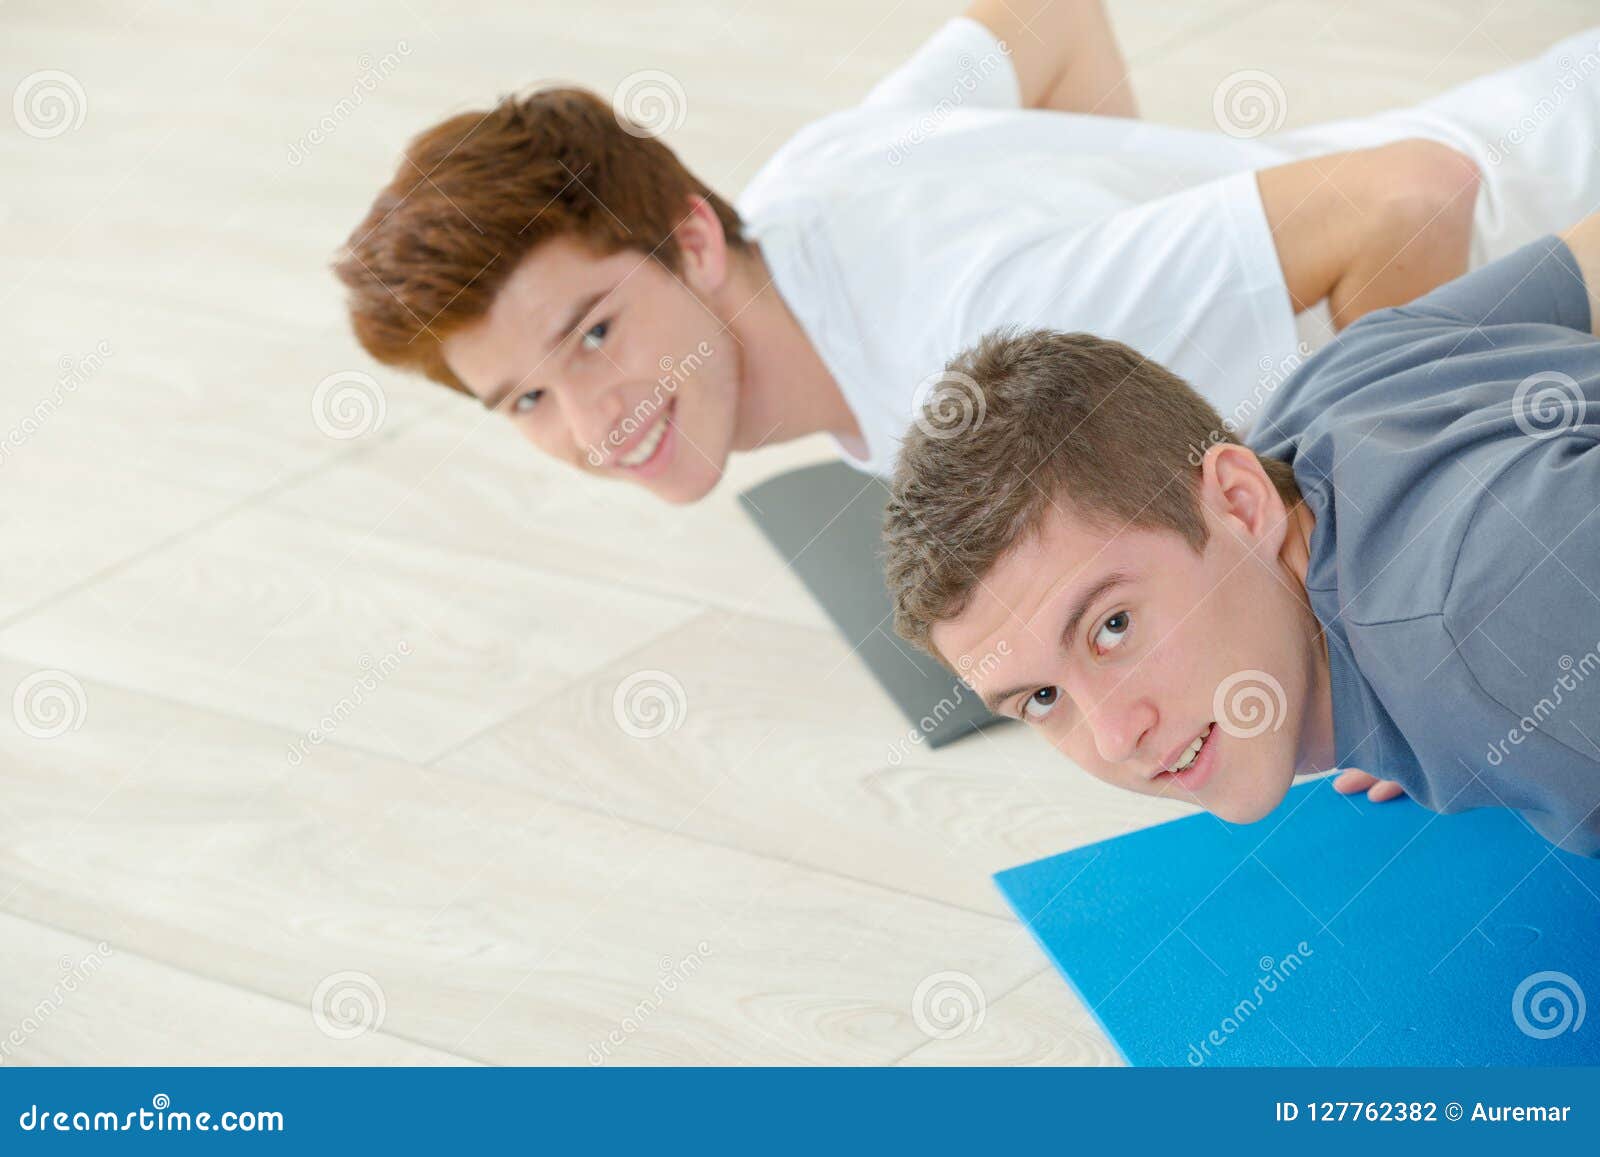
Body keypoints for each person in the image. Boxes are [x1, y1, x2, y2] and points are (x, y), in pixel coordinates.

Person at [333, 3, 1600, 505]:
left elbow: (1412, 199)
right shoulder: (799, 194)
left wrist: (1388, 533)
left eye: (594, 333)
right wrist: (1130, 197)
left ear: (692, 239)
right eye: (526, 400)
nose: (590, 421)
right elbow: (1044, 14)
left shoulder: (989, 343)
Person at [880, 209, 1600, 857]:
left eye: (1113, 626)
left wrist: (1485, 683)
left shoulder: (1484, 623)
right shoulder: (1327, 392)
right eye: (1042, 698)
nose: (1115, 736)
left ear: (1240, 500)